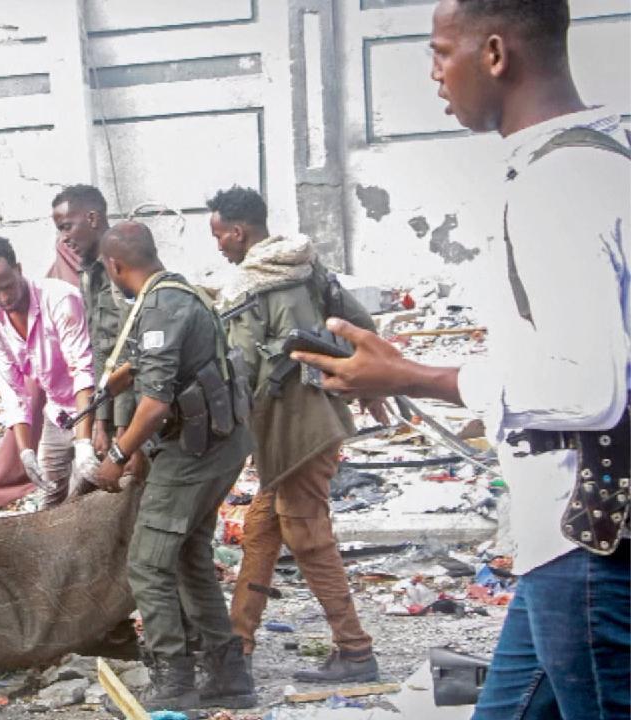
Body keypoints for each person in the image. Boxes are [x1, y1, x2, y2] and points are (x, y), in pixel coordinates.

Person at [294, 1, 629, 717]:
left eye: (442, 52)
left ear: (497, 54)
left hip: (590, 547)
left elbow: (587, 388)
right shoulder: (601, 158)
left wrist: (412, 376)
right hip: (566, 543)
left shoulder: (558, 184)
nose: (435, 74)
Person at [206, 186, 383, 682]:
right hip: (316, 418)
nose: (219, 245)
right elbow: (361, 325)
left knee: (306, 534)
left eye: (220, 236)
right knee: (263, 528)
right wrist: (365, 383)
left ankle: (355, 651)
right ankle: (236, 644)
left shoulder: (248, 286)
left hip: (292, 428)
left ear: (238, 232)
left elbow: (236, 373)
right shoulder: (308, 266)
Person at [91, 221, 258, 712]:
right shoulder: (177, 293)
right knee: (188, 557)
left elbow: (156, 405)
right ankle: (228, 674)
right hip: (217, 443)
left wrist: (118, 456)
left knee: (146, 563)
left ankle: (174, 679)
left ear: (115, 265)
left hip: (195, 451)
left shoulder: (163, 306)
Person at [0, 235, 99, 506]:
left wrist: (84, 443)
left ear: (18, 269)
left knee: (84, 492)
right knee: (49, 494)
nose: (4, 298)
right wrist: (25, 450)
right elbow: (12, 391)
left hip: (92, 407)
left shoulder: (60, 299)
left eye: (8, 286)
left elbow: (83, 371)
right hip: (57, 412)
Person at [52, 185, 143, 484]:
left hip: (143, 408)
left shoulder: (125, 265)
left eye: (67, 226)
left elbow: (132, 355)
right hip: (114, 405)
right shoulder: (90, 271)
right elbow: (102, 352)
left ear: (92, 218)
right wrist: (101, 425)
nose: (63, 238)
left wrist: (122, 432)